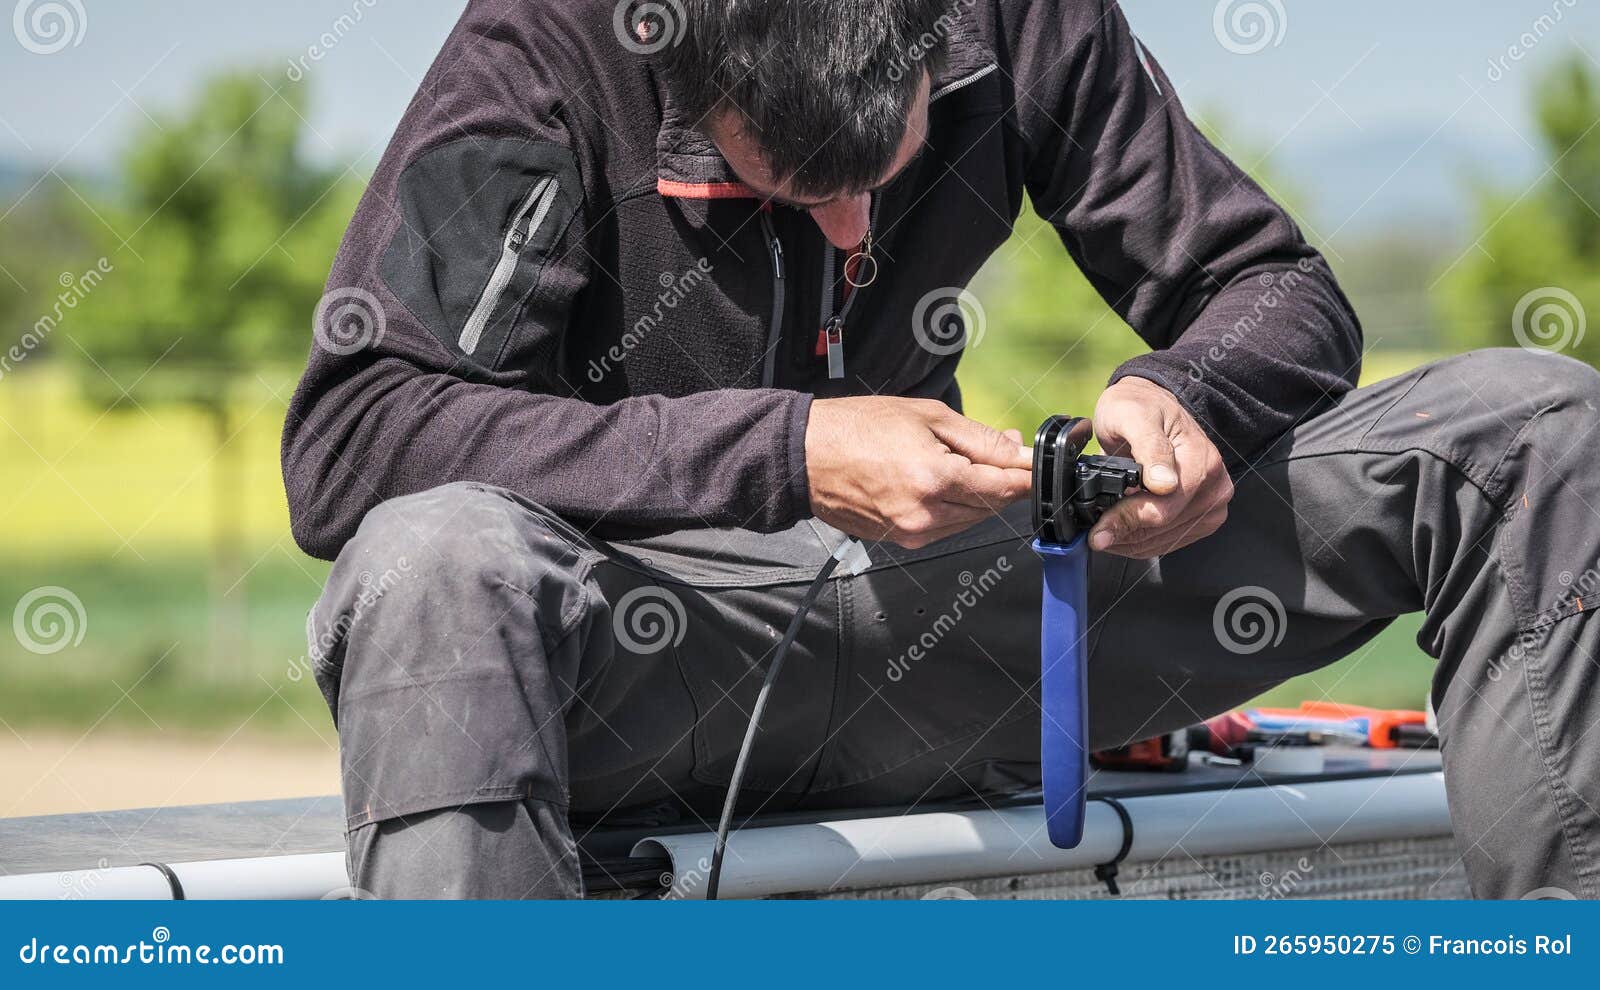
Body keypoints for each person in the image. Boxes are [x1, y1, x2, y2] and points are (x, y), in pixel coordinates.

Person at [282, 0, 1600, 899]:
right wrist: (788, 449)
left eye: (886, 172)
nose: (856, 231)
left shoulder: (1021, 16)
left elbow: (1280, 292)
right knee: (434, 559)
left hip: (970, 633)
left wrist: (1187, 394)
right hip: (643, 659)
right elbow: (353, 434)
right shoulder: (545, 46)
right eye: (790, 189)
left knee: (1534, 428)